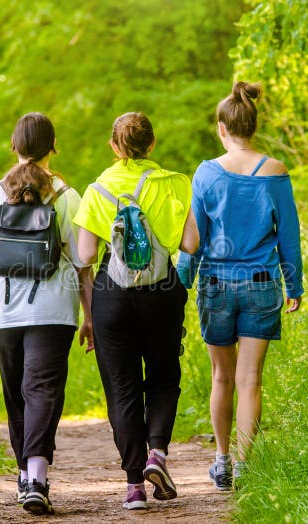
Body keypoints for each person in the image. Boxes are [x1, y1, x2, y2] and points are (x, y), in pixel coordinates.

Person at [0, 112, 94, 515]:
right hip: (54, 311)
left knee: (17, 391)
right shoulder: (68, 197)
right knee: (43, 390)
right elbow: (83, 262)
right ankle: (36, 476)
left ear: (13, 146)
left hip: (1, 312)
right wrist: (91, 316)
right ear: (54, 146)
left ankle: (25, 475)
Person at [177, 81, 304, 491]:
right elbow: (289, 234)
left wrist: (181, 284)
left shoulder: (207, 173)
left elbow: (194, 238)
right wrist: (294, 284)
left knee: (221, 377)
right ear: (253, 125)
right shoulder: (276, 171)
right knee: (251, 379)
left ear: (221, 129)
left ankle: (222, 460)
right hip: (263, 284)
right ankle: (246, 465)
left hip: (215, 284)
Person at [74, 112, 199, 510]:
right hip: (161, 292)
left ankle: (134, 487)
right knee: (163, 376)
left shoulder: (98, 189)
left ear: (114, 147)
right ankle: (157, 455)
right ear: (152, 143)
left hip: (113, 297)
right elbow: (191, 244)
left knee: (122, 388)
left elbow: (85, 254)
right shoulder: (176, 183)